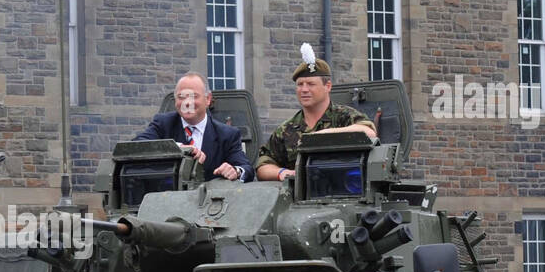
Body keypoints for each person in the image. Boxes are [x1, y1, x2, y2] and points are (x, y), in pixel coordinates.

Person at [256, 47, 376, 182]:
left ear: (328, 86)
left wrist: (325, 134)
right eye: (300, 84)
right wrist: (282, 172)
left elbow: (369, 133)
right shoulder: (287, 130)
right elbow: (262, 166)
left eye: (311, 84)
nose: (304, 90)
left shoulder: (344, 116)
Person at [136, 71, 253, 182]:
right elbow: (138, 146)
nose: (187, 103)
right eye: (181, 97)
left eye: (194, 96)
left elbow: (247, 169)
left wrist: (235, 171)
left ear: (208, 99)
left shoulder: (227, 134)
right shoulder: (163, 124)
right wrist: (178, 148)